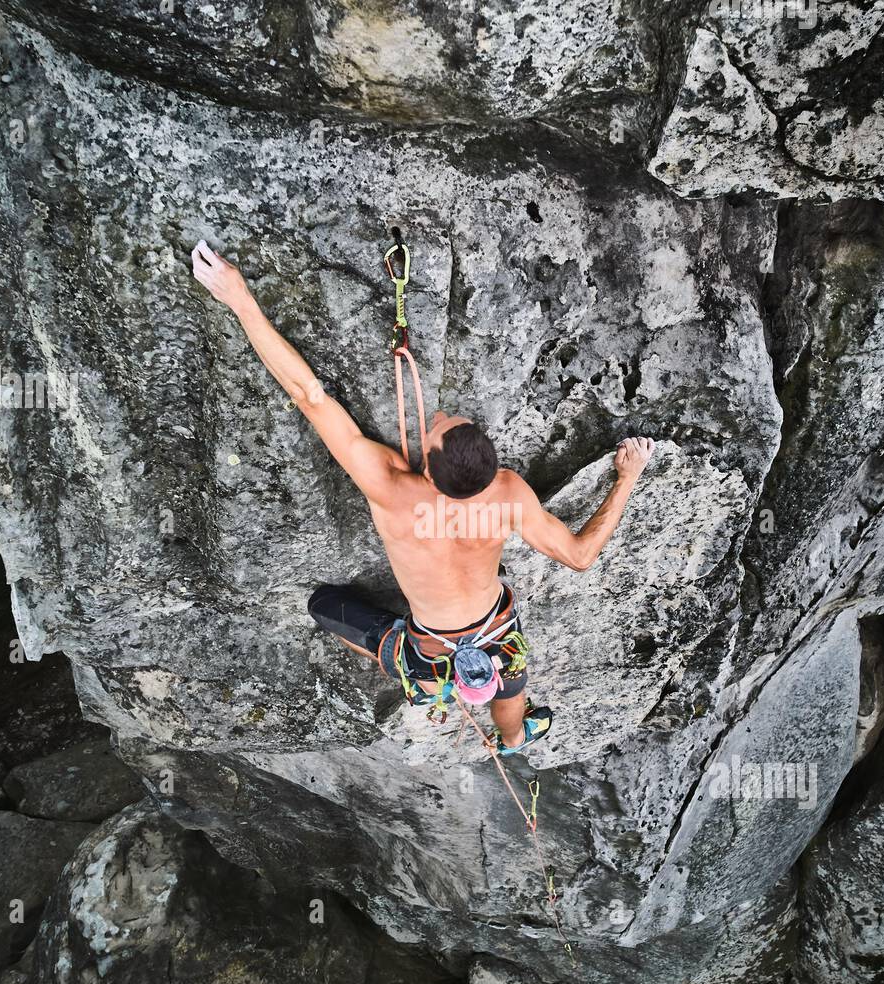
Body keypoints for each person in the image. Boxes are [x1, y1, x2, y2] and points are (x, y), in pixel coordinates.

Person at [192, 239, 655, 754]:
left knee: (322, 605)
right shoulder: (508, 493)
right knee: (509, 674)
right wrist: (627, 478)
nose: (435, 417)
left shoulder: (392, 490)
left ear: (430, 472)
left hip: (429, 647)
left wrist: (240, 300)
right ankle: (514, 735)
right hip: (496, 632)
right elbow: (581, 556)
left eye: (436, 428)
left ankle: (425, 681)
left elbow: (310, 396)